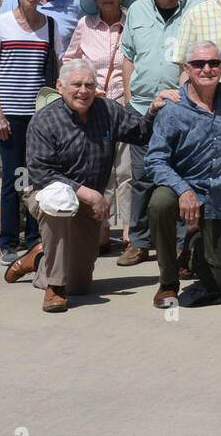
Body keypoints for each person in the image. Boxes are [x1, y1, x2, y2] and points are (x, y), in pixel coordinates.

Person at [10, 59, 169, 313]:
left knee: (81, 286)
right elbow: (41, 173)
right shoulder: (44, 121)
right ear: (60, 86)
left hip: (88, 199)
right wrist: (90, 194)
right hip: (46, 192)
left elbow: (139, 134)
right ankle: (54, 290)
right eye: (76, 85)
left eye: (89, 85)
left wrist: (152, 111)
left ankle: (41, 258)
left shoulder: (108, 111)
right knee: (59, 203)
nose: (83, 91)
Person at [145, 41, 221, 307]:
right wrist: (183, 190)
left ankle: (194, 245)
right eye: (198, 64)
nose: (206, 69)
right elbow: (155, 160)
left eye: (213, 63)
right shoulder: (172, 107)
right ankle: (168, 281)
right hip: (183, 186)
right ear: (187, 68)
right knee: (160, 203)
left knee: (219, 284)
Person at [117, 0, 200, 266]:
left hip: (182, 111)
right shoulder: (137, 10)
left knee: (179, 177)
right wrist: (128, 100)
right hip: (142, 109)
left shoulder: (198, 9)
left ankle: (181, 245)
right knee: (142, 178)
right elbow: (127, 56)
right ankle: (139, 242)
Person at [63, 0, 137, 253]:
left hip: (124, 105)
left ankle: (129, 230)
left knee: (127, 171)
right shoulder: (85, 25)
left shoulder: (131, 24)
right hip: (95, 108)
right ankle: (102, 228)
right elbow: (69, 59)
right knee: (99, 171)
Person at [0, 0, 54, 264]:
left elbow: (55, 71)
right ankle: (8, 241)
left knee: (37, 178)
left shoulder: (49, 26)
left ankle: (36, 237)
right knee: (14, 178)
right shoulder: (0, 24)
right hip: (10, 115)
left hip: (38, 115)